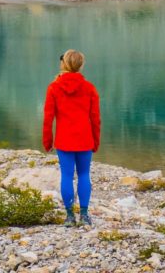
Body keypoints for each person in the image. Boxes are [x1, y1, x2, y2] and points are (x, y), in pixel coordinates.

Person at [42, 49, 101, 227]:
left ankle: (69, 217)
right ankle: (84, 215)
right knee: (84, 175)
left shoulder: (54, 87)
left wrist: (47, 141)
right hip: (84, 139)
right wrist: (96, 141)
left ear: (64, 64)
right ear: (80, 66)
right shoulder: (89, 88)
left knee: (66, 176)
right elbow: (95, 118)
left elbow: (48, 117)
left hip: (64, 140)